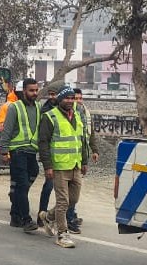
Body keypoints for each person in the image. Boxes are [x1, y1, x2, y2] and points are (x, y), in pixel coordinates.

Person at [38, 86, 89, 249]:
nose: (70, 101)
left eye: (72, 98)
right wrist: (48, 166)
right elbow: (43, 143)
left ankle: (48, 216)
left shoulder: (78, 116)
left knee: (73, 200)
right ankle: (62, 234)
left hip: (75, 165)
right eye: (67, 98)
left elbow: (82, 140)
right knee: (63, 202)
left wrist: (84, 161)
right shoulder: (50, 117)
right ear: (59, 99)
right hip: (59, 166)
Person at [0, 78, 41, 232]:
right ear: (24, 91)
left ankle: (15, 214)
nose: (34, 93)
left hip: (31, 152)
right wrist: (4, 151)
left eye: (36, 90)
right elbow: (7, 131)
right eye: (31, 90)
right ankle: (26, 219)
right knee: (22, 185)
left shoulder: (38, 107)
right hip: (17, 152)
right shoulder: (14, 108)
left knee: (25, 182)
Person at [68, 89, 100, 233]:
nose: (79, 101)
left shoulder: (85, 113)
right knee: (69, 190)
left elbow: (89, 134)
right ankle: (67, 218)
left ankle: (70, 214)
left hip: (81, 155)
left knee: (74, 189)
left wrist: (94, 150)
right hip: (69, 157)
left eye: (80, 98)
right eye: (76, 98)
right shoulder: (70, 114)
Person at [37, 85, 59, 227]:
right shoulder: (46, 111)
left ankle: (62, 217)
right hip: (51, 156)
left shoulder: (70, 111)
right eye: (50, 94)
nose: (52, 97)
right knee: (49, 186)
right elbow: (44, 139)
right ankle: (42, 214)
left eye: (54, 94)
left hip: (66, 158)